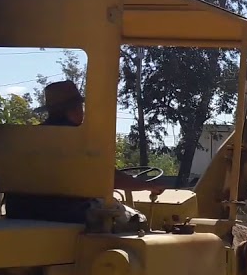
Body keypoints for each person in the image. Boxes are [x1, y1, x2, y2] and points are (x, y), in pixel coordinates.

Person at [37, 80, 165, 196]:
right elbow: (109, 177)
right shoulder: (78, 139)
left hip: (27, 210)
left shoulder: (33, 136)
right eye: (80, 107)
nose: (82, 111)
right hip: (72, 210)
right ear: (73, 110)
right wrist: (148, 186)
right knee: (135, 218)